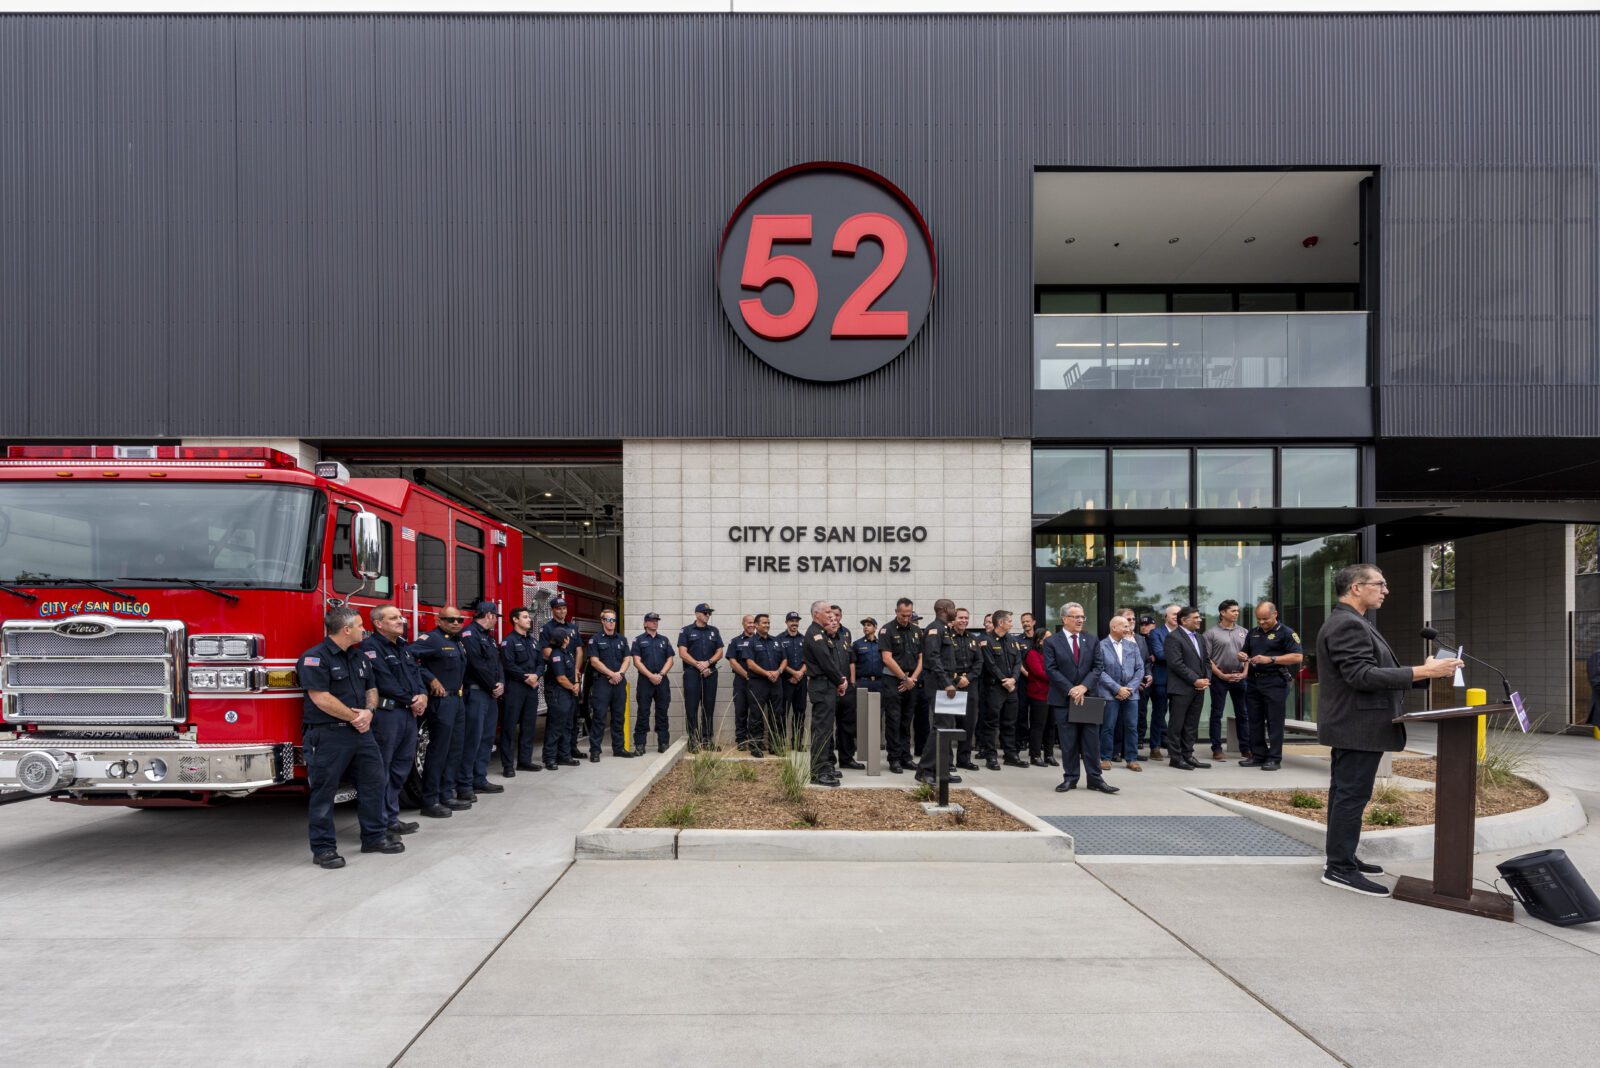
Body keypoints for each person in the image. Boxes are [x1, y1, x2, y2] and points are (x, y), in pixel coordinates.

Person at [1318, 564, 1461, 896]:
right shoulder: (1346, 625)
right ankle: (1339, 868)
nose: (1386, 590)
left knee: (1347, 794)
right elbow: (1362, 676)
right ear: (1356, 587)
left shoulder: (1355, 621)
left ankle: (1342, 859)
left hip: (1357, 724)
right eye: (1379, 584)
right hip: (1357, 725)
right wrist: (1422, 672)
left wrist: (1423, 670)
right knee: (1351, 796)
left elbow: (1371, 671)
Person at [300, 606, 397, 868]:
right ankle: (323, 849)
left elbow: (372, 688)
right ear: (346, 629)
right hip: (328, 736)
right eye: (359, 625)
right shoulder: (314, 658)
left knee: (374, 783)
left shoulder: (359, 657)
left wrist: (369, 711)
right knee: (324, 792)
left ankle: (374, 837)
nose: (363, 629)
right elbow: (321, 698)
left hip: (362, 733)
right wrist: (354, 717)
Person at [361, 604, 428, 835]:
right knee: (383, 769)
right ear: (379, 624)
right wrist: (412, 700)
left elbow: (416, 673)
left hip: (407, 713)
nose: (402, 621)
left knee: (401, 768)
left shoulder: (403, 647)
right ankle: (381, 822)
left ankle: (391, 818)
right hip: (387, 716)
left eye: (401, 617)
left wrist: (423, 695)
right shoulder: (370, 648)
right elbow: (385, 682)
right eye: (394, 618)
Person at [1043, 602, 1117, 794]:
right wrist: (1072, 689)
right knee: (1069, 742)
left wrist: (1083, 687)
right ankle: (1070, 778)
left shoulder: (1091, 640)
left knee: (1092, 741)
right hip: (1064, 699)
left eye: (1082, 616)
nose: (1080, 620)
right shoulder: (1052, 642)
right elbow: (1051, 670)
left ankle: (1095, 779)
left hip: (1088, 698)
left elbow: (1098, 667)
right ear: (1064, 619)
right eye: (1075, 616)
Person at [410, 607, 473, 814]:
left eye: (459, 619)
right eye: (450, 619)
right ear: (439, 620)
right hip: (441, 702)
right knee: (438, 751)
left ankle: (447, 794)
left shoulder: (457, 641)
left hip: (457, 700)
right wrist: (430, 679)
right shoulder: (432, 639)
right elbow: (408, 658)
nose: (455, 623)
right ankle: (430, 800)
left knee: (455, 750)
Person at [1238, 601, 1302, 771]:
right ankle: (1258, 755)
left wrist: (1271, 659)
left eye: (1265, 619)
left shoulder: (1286, 633)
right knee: (1255, 720)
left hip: (1275, 681)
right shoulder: (1253, 633)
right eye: (1258, 619)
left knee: (1274, 721)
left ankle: (1274, 758)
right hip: (1254, 681)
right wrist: (1242, 655)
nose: (1261, 622)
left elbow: (1297, 657)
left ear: (1275, 614)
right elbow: (1246, 652)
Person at [457, 602, 506, 798]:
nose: (496, 620)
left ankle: (480, 778)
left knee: (487, 739)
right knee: (473, 740)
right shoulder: (469, 634)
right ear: (488, 615)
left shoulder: (489, 638)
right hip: (476, 693)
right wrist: (493, 686)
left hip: (490, 695)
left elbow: (498, 663)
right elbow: (476, 665)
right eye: (495, 616)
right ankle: (465, 783)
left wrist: (501, 683)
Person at [914, 598, 963, 786]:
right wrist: (946, 683)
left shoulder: (946, 630)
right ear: (943, 609)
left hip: (947, 682)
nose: (954, 609)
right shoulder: (935, 629)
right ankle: (924, 770)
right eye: (952, 607)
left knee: (947, 727)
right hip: (939, 684)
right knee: (940, 728)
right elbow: (933, 658)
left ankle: (942, 769)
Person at [801, 599, 849, 785]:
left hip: (827, 686)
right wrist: (841, 680)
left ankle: (825, 766)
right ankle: (818, 772)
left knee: (827, 729)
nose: (831, 615)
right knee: (821, 730)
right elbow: (826, 662)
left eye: (832, 612)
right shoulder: (815, 634)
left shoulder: (823, 633)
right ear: (816, 614)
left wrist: (837, 681)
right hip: (821, 686)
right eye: (827, 612)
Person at [877, 598, 922, 774]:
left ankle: (906, 757)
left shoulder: (917, 631)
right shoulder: (886, 630)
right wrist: (904, 678)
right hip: (893, 680)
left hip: (912, 681)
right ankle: (894, 758)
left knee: (906, 720)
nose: (906, 618)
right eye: (903, 615)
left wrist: (913, 679)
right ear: (896, 612)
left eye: (909, 615)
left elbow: (921, 657)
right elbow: (887, 658)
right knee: (894, 720)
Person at [1164, 606, 1212, 770]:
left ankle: (1188, 755)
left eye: (1199, 617)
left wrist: (1206, 679)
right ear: (1184, 620)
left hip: (1198, 688)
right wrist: (1195, 680)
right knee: (1177, 724)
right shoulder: (1173, 638)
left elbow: (1206, 661)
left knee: (1192, 724)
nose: (1200, 619)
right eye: (1196, 617)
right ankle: (1176, 758)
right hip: (1181, 689)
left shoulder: (1199, 637)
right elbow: (1176, 664)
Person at [498, 607, 544, 777]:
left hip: (531, 688)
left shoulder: (533, 641)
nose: (529, 619)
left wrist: (537, 675)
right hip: (515, 688)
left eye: (529, 617)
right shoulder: (508, 641)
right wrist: (527, 677)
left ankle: (525, 761)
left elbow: (541, 663)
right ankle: (508, 765)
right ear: (515, 620)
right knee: (509, 727)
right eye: (525, 617)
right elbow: (508, 664)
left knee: (528, 726)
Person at [1095, 613, 1144, 772]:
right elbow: (1099, 671)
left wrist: (1129, 689)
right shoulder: (1101, 646)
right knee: (1108, 726)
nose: (1128, 628)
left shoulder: (1133, 646)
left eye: (1128, 625)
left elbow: (1140, 669)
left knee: (1131, 727)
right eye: (1124, 625)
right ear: (1114, 627)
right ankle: (1106, 757)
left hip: (1131, 693)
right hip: (1110, 693)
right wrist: (1117, 688)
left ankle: (1132, 759)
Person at [1204, 599, 1251, 761]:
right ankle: (1217, 749)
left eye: (1237, 610)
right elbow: (1207, 659)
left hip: (1239, 677)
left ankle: (1245, 748)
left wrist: (1245, 673)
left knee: (1243, 713)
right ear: (1223, 612)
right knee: (1217, 713)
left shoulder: (1244, 632)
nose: (1236, 613)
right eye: (1233, 611)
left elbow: (1247, 655)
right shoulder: (1211, 633)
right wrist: (1222, 675)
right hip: (1220, 678)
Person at [538, 596, 584, 757]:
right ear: (553, 610)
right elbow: (546, 652)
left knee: (572, 718)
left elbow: (579, 650)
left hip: (572, 676)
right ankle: (553, 755)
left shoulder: (572, 627)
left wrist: (575, 670)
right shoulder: (547, 628)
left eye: (564, 608)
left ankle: (570, 749)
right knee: (557, 720)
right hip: (559, 679)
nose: (562, 611)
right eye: (558, 608)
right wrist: (563, 665)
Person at [980, 610, 1026, 768]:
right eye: (1010, 621)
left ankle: (1010, 754)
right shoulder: (986, 641)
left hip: (1011, 687)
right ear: (1000, 623)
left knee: (1010, 722)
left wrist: (1013, 679)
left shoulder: (1012, 640)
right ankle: (990, 756)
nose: (1012, 624)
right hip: (995, 688)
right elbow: (990, 664)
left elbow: (1018, 662)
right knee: (991, 723)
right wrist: (1003, 680)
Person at [677, 603, 723, 750]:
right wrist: (699, 665)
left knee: (708, 707)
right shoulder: (686, 631)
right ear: (697, 614)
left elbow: (720, 652)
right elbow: (682, 653)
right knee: (691, 707)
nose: (708, 615)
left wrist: (708, 663)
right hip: (692, 673)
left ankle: (707, 740)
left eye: (709, 613)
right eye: (705, 613)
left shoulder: (714, 631)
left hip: (710, 673)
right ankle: (693, 740)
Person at [587, 610, 632, 760]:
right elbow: (594, 661)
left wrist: (619, 674)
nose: (612, 622)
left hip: (619, 682)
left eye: (614, 619)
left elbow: (627, 659)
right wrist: (611, 674)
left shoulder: (622, 639)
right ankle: (595, 751)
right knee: (599, 717)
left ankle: (619, 748)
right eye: (608, 619)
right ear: (602, 621)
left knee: (619, 717)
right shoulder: (595, 639)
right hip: (602, 682)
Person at [743, 613, 787, 757]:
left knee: (777, 715)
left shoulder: (776, 641)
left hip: (776, 683)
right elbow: (750, 664)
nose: (767, 625)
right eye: (764, 623)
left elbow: (784, 660)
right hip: (758, 683)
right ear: (756, 625)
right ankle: (755, 746)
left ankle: (775, 745)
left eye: (768, 623)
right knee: (756, 715)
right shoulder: (751, 642)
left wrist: (778, 671)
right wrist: (767, 673)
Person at [631, 612, 674, 753]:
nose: (655, 622)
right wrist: (650, 676)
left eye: (656, 620)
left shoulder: (664, 640)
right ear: (645, 623)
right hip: (645, 681)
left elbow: (670, 660)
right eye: (652, 620)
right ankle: (640, 744)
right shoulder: (638, 640)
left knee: (662, 712)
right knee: (643, 712)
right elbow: (637, 661)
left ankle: (663, 743)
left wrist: (661, 674)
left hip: (662, 681)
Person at [946, 607, 983, 771]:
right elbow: (941, 661)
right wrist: (956, 679)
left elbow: (979, 662)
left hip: (969, 685)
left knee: (968, 724)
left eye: (966, 618)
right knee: (949, 724)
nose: (964, 621)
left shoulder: (973, 639)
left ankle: (964, 759)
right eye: (960, 618)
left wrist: (968, 678)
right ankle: (947, 761)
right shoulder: (946, 637)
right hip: (951, 685)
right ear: (953, 620)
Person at [543, 628, 583, 770]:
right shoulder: (557, 655)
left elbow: (573, 670)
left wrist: (576, 684)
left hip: (568, 694)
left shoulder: (567, 653)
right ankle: (550, 758)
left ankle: (564, 756)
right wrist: (573, 687)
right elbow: (560, 678)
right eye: (567, 636)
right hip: (558, 694)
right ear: (565, 640)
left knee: (567, 726)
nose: (569, 638)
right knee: (556, 728)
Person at [846, 617, 882, 769]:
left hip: (879, 682)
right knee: (861, 715)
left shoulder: (882, 644)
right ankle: (860, 746)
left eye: (869, 625)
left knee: (877, 714)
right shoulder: (857, 644)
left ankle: (873, 745)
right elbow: (852, 663)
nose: (866, 628)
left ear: (875, 627)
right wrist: (853, 682)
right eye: (864, 626)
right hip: (862, 681)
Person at [1146, 604, 1180, 761]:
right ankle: (1155, 747)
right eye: (1173, 614)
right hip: (1162, 680)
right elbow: (1159, 654)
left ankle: (1175, 748)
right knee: (1159, 715)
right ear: (1166, 616)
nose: (1176, 617)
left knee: (1178, 715)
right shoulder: (1156, 633)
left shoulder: (1184, 633)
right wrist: (1181, 656)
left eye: (1178, 614)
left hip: (1180, 680)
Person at [1022, 625, 1056, 766]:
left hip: (1053, 694)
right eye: (1048, 638)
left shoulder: (1053, 653)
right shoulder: (1032, 654)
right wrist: (1057, 676)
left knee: (1051, 726)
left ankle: (1049, 755)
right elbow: (1039, 673)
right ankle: (1035, 755)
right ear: (1040, 640)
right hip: (1038, 694)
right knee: (1038, 725)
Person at [727, 614, 759, 753]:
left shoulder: (761, 640)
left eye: (753, 622)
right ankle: (741, 740)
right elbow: (733, 662)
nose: (751, 625)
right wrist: (746, 675)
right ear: (743, 624)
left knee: (756, 712)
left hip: (759, 682)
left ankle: (755, 741)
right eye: (749, 622)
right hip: (741, 681)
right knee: (741, 710)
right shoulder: (735, 641)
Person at [777, 612, 808, 744]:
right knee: (782, 712)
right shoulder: (779, 639)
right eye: (791, 620)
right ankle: (781, 742)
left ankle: (797, 742)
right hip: (785, 681)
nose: (794, 623)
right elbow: (778, 660)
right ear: (786, 622)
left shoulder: (804, 639)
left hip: (801, 681)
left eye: (796, 620)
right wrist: (793, 673)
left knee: (800, 712)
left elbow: (810, 659)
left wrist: (800, 673)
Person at [1135, 614, 1158, 756]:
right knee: (1141, 710)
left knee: (1159, 711)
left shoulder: (1157, 638)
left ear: (1154, 625)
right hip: (1144, 679)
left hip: (1158, 679)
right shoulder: (1138, 639)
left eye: (1147, 624)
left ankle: (1162, 737)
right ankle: (1140, 738)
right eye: (1142, 625)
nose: (1144, 627)